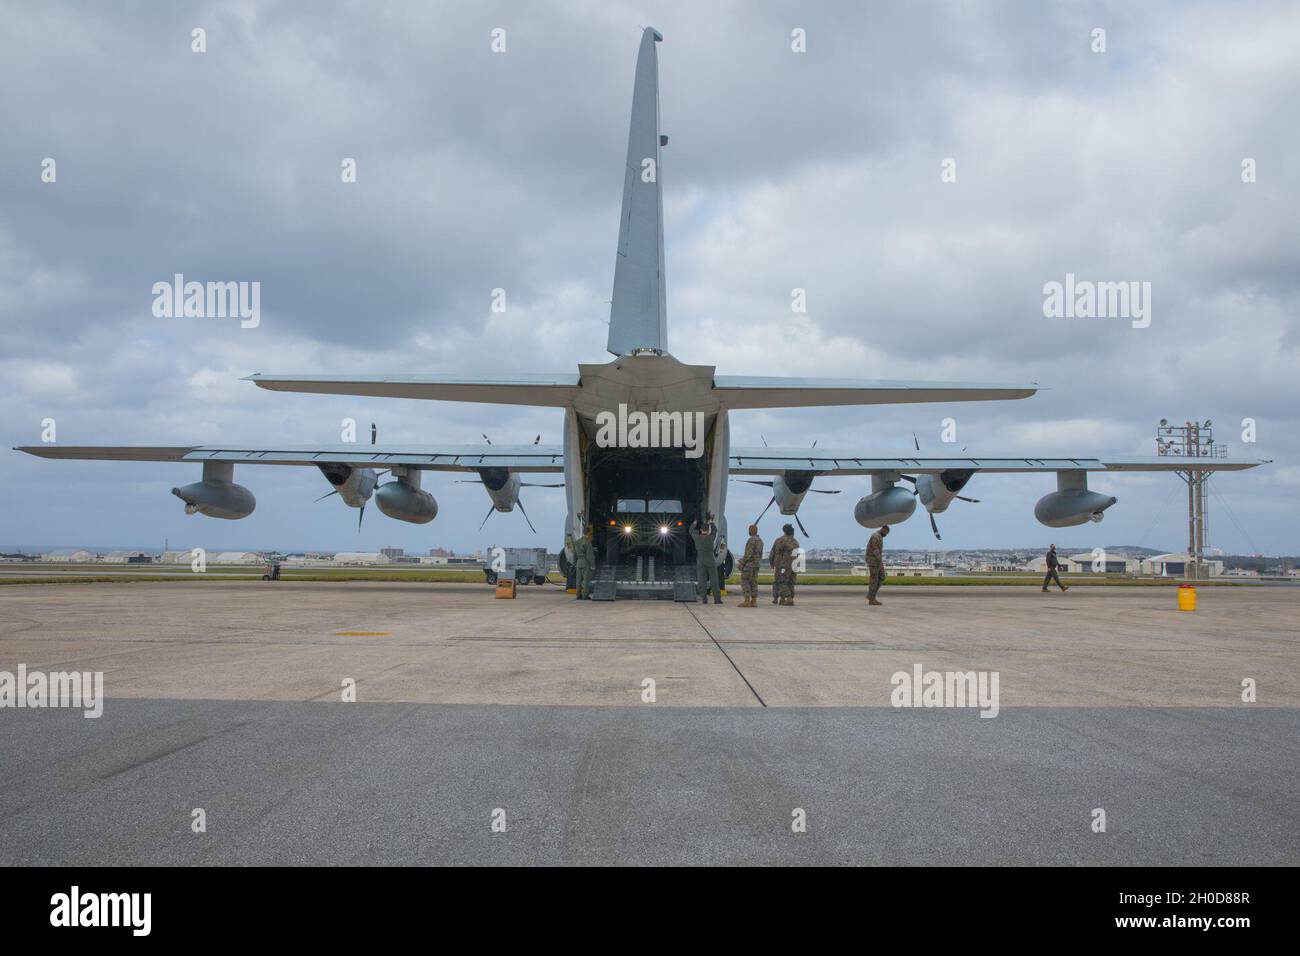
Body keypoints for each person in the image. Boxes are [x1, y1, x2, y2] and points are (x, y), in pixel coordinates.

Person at [690, 514, 723, 604]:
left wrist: (695, 522)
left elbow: (691, 530)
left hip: (700, 560)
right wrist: (711, 522)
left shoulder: (697, 537)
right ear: (708, 530)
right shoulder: (711, 537)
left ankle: (704, 599)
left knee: (702, 580)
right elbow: (715, 530)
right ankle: (717, 599)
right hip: (710, 560)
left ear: (700, 530)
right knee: (714, 580)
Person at [769, 523, 800, 605]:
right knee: (790, 582)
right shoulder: (796, 542)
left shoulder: (780, 540)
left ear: (784, 531)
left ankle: (787, 598)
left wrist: (771, 563)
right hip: (794, 565)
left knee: (781, 581)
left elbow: (773, 552)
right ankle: (784, 599)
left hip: (783, 565)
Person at [737, 524, 764, 607]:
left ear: (752, 531)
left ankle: (747, 601)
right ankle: (754, 601)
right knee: (754, 582)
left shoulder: (751, 540)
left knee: (745, 581)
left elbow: (748, 554)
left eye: (749, 530)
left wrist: (742, 563)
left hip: (749, 565)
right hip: (756, 565)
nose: (748, 531)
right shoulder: (760, 540)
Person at [866, 525, 889, 605]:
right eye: (886, 533)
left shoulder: (879, 536)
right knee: (874, 580)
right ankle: (872, 599)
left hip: (878, 561)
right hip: (873, 561)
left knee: (882, 577)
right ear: (883, 530)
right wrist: (879, 560)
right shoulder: (875, 536)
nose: (886, 535)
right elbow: (875, 549)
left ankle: (871, 596)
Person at [574, 527, 596, 599]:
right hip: (585, 562)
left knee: (578, 580)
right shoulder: (587, 542)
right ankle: (585, 595)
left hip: (578, 562)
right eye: (590, 534)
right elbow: (589, 555)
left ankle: (578, 595)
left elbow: (574, 554)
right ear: (588, 533)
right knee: (586, 580)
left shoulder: (577, 542)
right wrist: (593, 565)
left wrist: (575, 563)